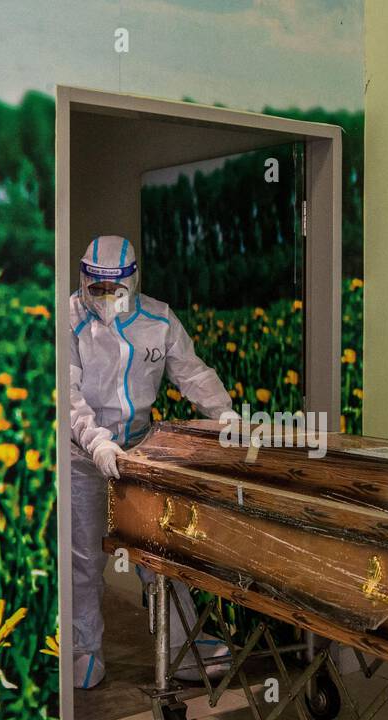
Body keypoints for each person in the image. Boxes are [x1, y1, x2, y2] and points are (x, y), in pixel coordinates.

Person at [69, 234, 235, 689]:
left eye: (115, 289)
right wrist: (98, 445)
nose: (105, 298)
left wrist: (225, 415)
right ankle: (83, 650)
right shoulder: (67, 320)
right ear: (84, 279)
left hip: (140, 452)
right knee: (83, 560)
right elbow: (69, 398)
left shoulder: (158, 320)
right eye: (96, 288)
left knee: (161, 552)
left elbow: (192, 372)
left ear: (133, 280)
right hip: (82, 456)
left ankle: (179, 649)